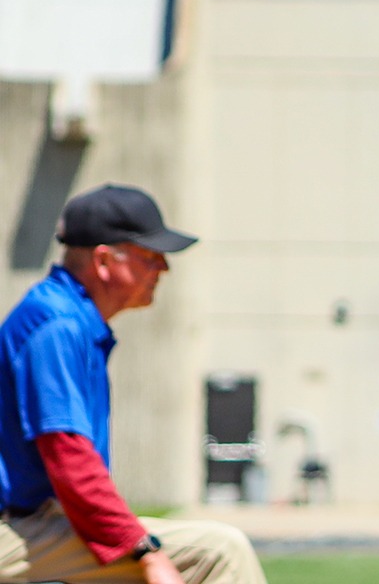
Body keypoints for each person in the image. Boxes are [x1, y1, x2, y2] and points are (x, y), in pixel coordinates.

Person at [0, 184, 266, 584]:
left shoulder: (67, 317)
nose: (164, 268)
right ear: (105, 260)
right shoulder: (56, 324)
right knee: (220, 552)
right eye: (151, 255)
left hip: (35, 522)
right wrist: (143, 550)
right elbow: (69, 458)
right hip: (14, 528)